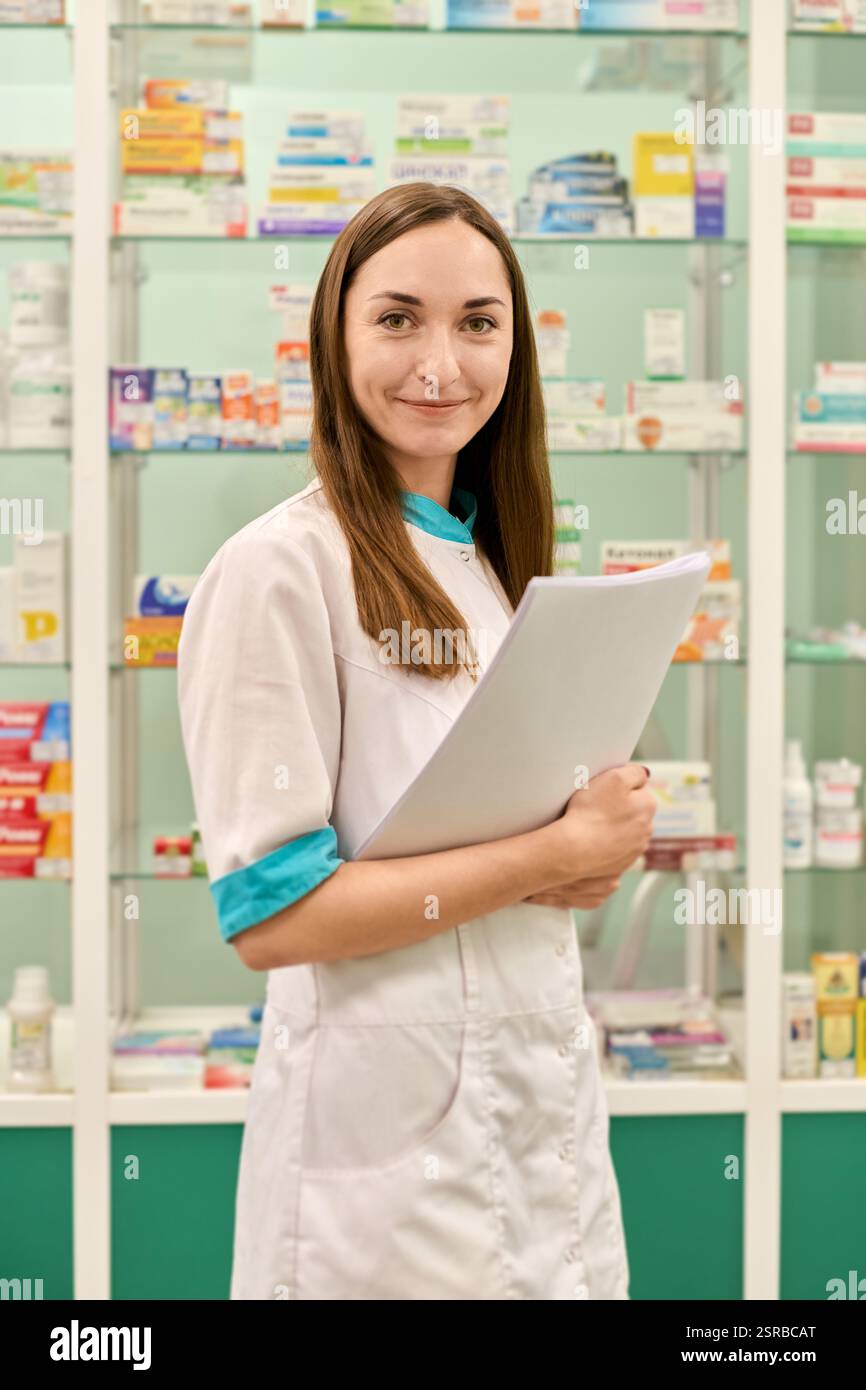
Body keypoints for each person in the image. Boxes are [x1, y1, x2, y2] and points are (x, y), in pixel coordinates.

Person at [177, 181, 656, 1301]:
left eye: (476, 323)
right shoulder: (277, 570)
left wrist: (577, 858)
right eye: (397, 319)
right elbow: (273, 915)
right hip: (378, 1185)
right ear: (334, 338)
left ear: (515, 345)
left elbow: (471, 838)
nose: (439, 363)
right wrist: (544, 858)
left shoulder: (490, 565)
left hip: (537, 1129)